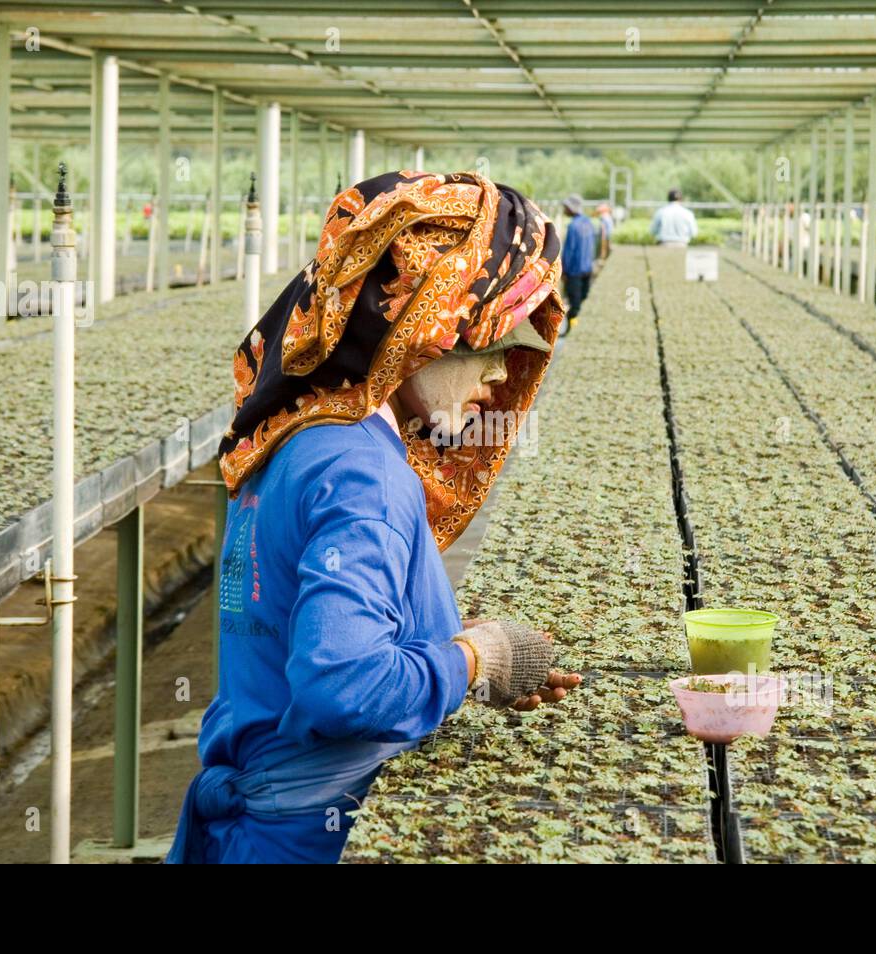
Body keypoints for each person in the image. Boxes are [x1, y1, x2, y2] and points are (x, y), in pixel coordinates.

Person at [168, 171, 581, 865]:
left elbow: (312, 621)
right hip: (303, 839)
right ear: (425, 325)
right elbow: (341, 689)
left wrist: (447, 640)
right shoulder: (364, 473)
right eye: (487, 348)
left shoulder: (302, 430)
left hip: (253, 822)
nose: (495, 381)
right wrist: (475, 659)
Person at [560, 193, 596, 336]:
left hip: (574, 271)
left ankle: (571, 331)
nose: (564, 210)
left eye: (565, 207)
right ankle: (575, 329)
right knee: (582, 299)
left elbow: (569, 252)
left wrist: (564, 271)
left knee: (574, 303)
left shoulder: (573, 226)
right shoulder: (588, 222)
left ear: (571, 208)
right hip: (587, 269)